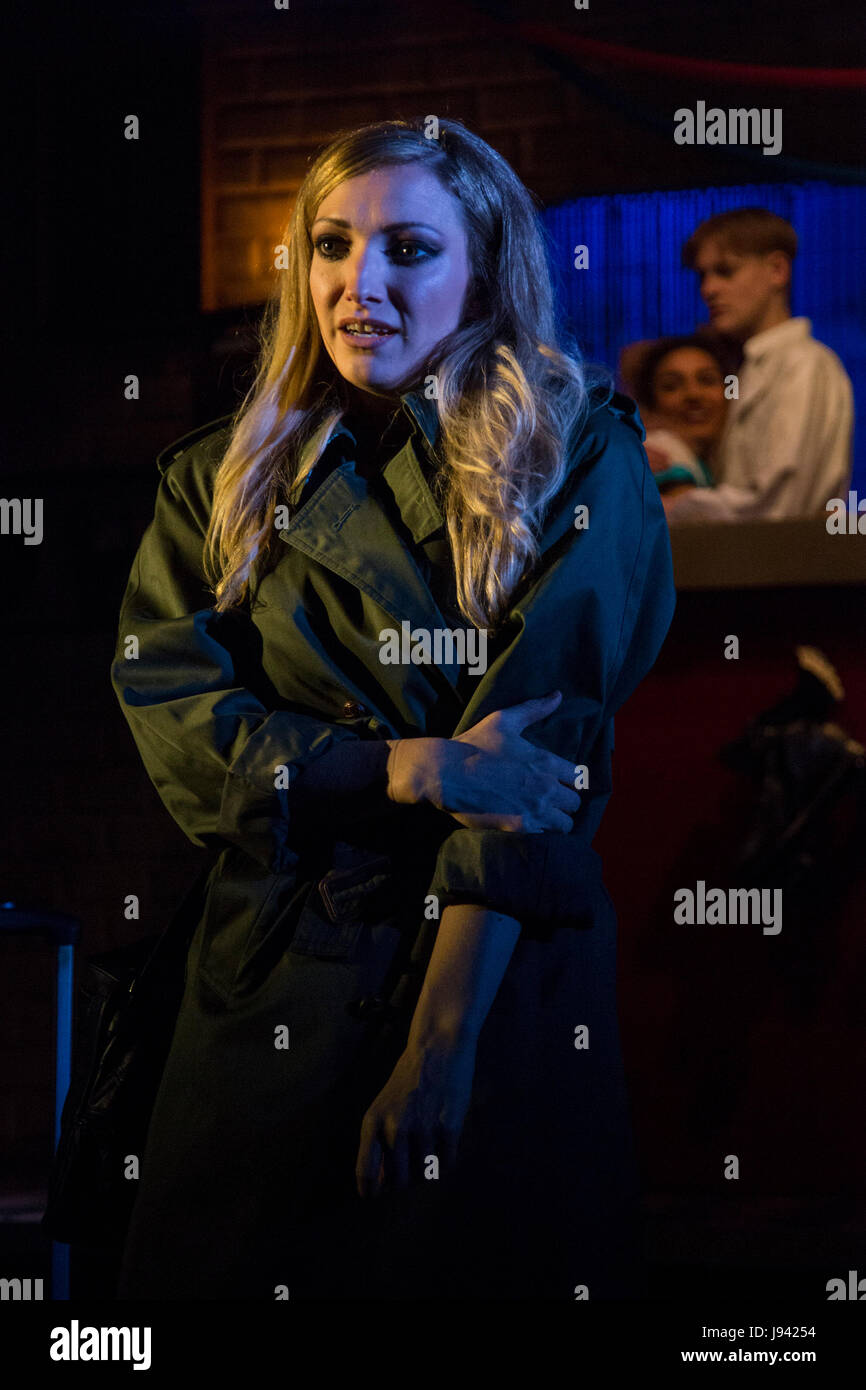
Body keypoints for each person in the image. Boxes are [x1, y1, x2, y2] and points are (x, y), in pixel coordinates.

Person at [110, 116, 675, 1301]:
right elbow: (176, 720)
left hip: (485, 977)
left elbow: (534, 765)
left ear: (483, 271)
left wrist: (440, 1046)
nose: (355, 282)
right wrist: (401, 767)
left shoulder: (576, 455)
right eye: (330, 244)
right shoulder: (217, 474)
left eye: (407, 248)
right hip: (261, 980)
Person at [664, 207, 854, 522]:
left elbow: (778, 508)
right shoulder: (754, 367)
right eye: (703, 275)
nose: (708, 289)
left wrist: (678, 506)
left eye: (725, 271)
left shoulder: (803, 363)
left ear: (777, 270)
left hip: (789, 566)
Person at [627, 334, 729, 501]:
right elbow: (697, 517)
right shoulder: (662, 455)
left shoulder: (710, 461)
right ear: (651, 403)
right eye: (671, 386)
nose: (693, 394)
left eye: (707, 380)